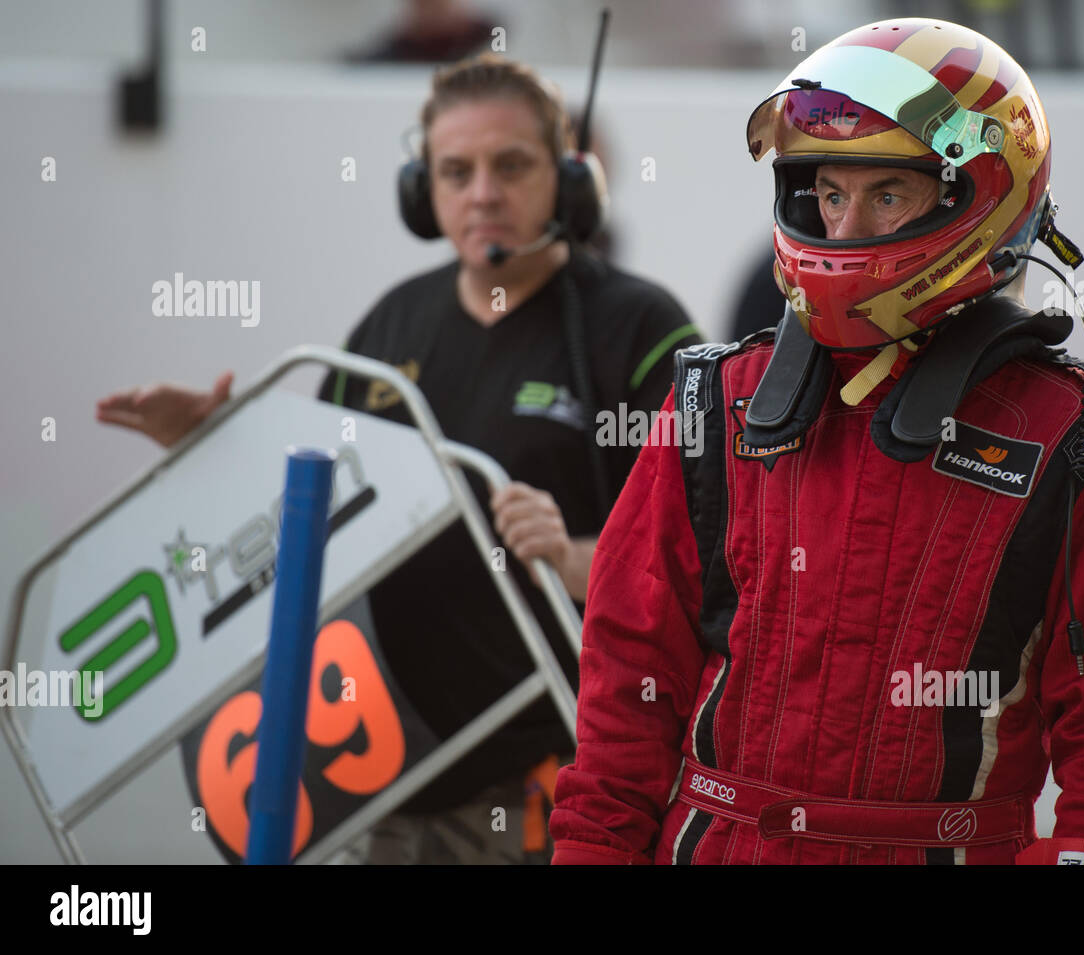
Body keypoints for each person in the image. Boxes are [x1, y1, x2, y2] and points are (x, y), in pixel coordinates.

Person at [549, 18, 1084, 865]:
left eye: (888, 194)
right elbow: (626, 688)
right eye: (828, 193)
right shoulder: (713, 401)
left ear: (977, 197)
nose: (845, 229)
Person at [96, 53, 700, 863]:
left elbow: (712, 561)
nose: (482, 193)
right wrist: (213, 447)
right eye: (455, 171)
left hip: (558, 780)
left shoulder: (643, 328)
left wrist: (571, 558)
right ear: (422, 191)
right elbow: (299, 535)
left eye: (511, 165)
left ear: (570, 180)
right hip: (381, 780)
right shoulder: (389, 327)